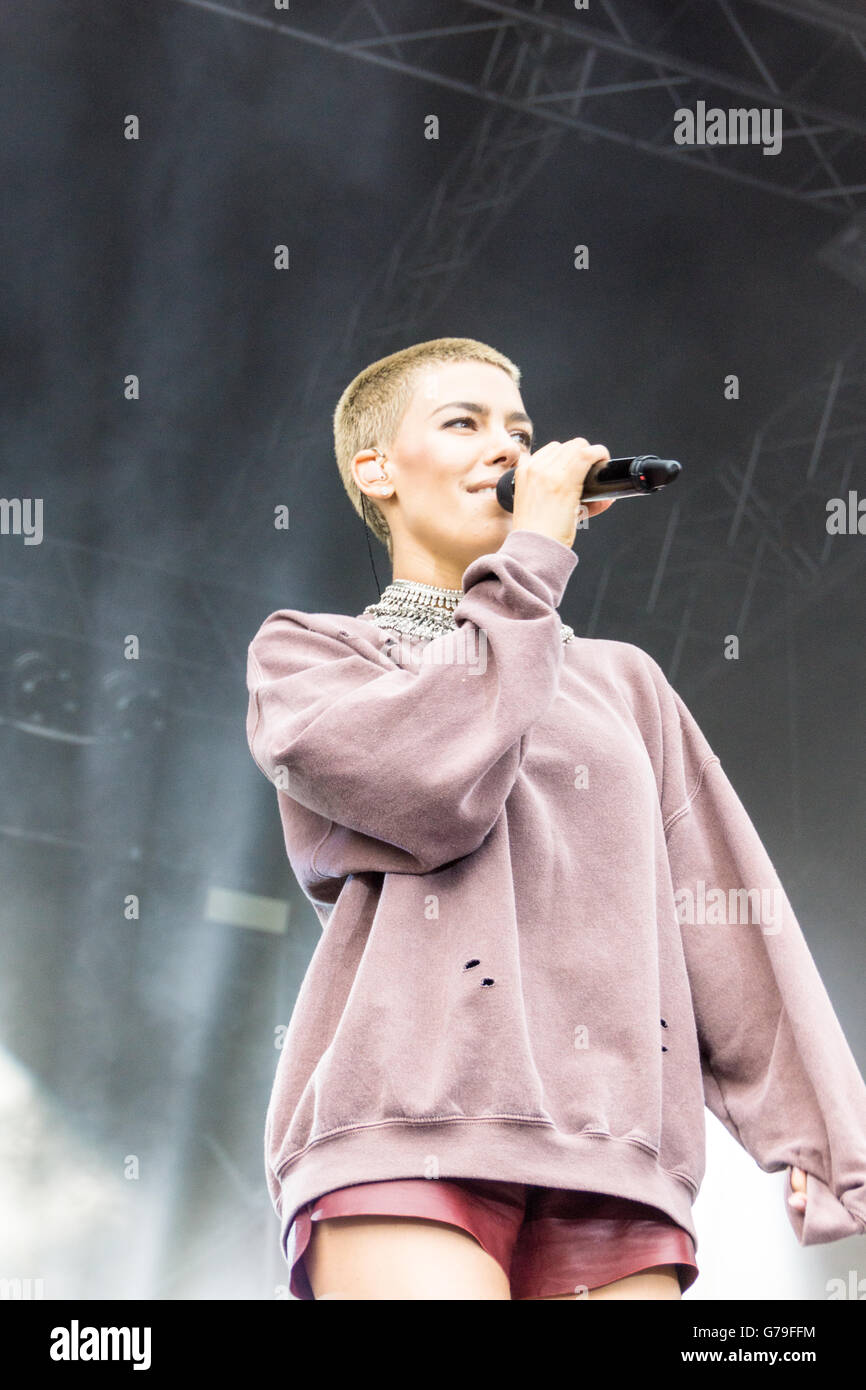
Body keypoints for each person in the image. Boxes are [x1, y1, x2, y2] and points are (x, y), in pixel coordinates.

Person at [245, 337, 866, 1300]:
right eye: (465, 423)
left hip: (616, 1156)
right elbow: (435, 790)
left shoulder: (626, 684)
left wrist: (829, 1143)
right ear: (377, 471)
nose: (509, 450)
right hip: (404, 1130)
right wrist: (531, 563)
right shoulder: (313, 659)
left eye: (520, 432)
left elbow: (729, 914)